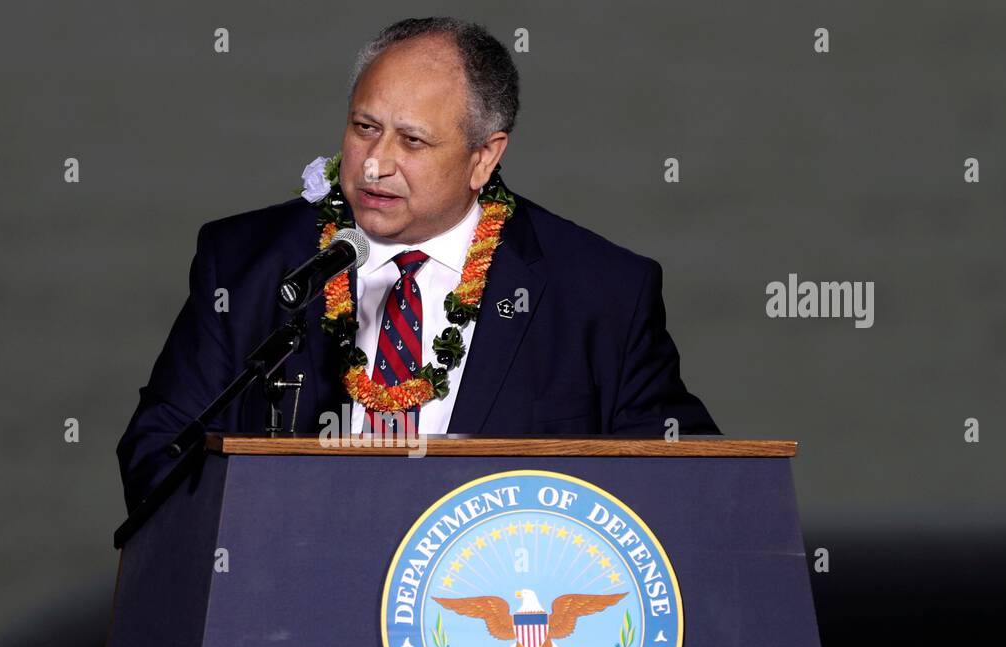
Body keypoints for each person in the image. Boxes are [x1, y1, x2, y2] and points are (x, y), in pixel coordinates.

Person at [117, 16, 719, 515]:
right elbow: (156, 451)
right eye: (364, 129)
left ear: (484, 157)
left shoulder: (599, 294)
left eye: (412, 142)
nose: (375, 165)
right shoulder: (247, 264)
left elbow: (690, 488)